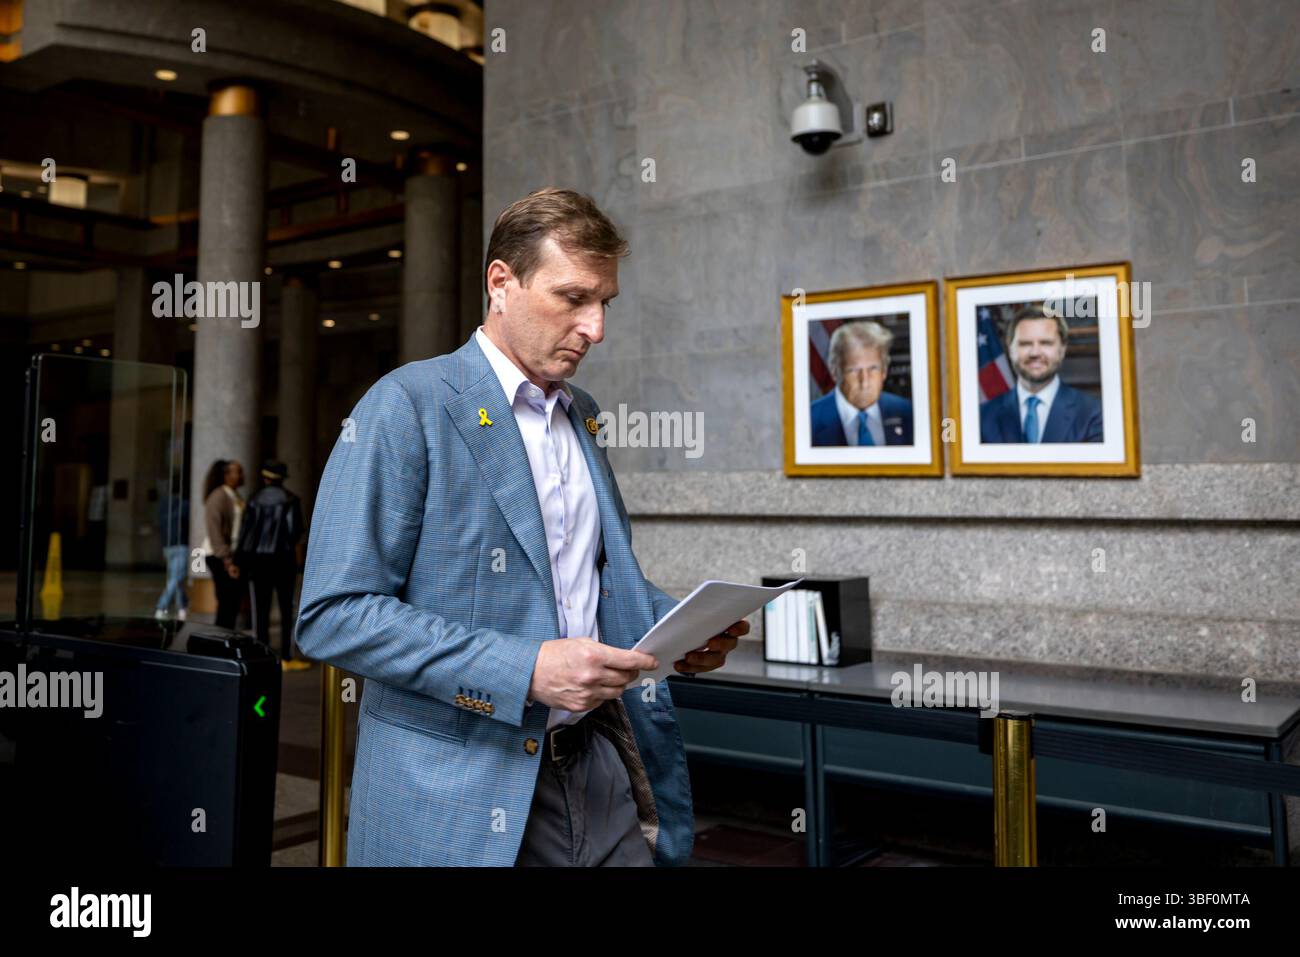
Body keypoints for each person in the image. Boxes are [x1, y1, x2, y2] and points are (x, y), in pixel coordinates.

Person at [296, 187, 747, 867]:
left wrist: (679, 625)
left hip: (598, 770)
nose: (596, 328)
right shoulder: (405, 407)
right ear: (500, 283)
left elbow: (589, 584)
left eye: (605, 303)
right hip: (460, 793)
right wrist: (525, 668)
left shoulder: (583, 413)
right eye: (573, 298)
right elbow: (333, 614)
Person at [979, 303, 1103, 443]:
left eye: (1046, 343)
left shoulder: (1093, 413)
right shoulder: (982, 417)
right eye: (1025, 344)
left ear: (1062, 349)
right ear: (1010, 350)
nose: (1035, 353)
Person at [235, 460, 307, 671]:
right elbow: (296, 532)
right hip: (284, 560)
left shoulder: (254, 500)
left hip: (258, 561)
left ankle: (264, 653)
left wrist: (241, 560)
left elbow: (246, 534)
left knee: (261, 608)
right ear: (282, 478)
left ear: (265, 478)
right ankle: (286, 655)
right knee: (287, 609)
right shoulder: (291, 500)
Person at [810, 320, 914, 446]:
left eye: (873, 368)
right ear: (834, 372)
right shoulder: (808, 421)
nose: (864, 382)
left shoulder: (908, 412)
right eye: (853, 370)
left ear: (884, 371)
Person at [202, 459, 247, 629]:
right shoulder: (218, 496)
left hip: (231, 555)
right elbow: (215, 531)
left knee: (233, 602)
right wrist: (227, 561)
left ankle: (226, 637)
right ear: (226, 475)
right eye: (238, 472)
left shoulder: (235, 496)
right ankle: (219, 641)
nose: (242, 476)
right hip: (218, 555)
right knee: (226, 601)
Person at [155, 489, 189, 622]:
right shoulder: (185, 505)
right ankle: (161, 606)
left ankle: (182, 608)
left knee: (177, 579)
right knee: (175, 578)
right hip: (181, 546)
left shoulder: (164, 506)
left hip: (168, 547)